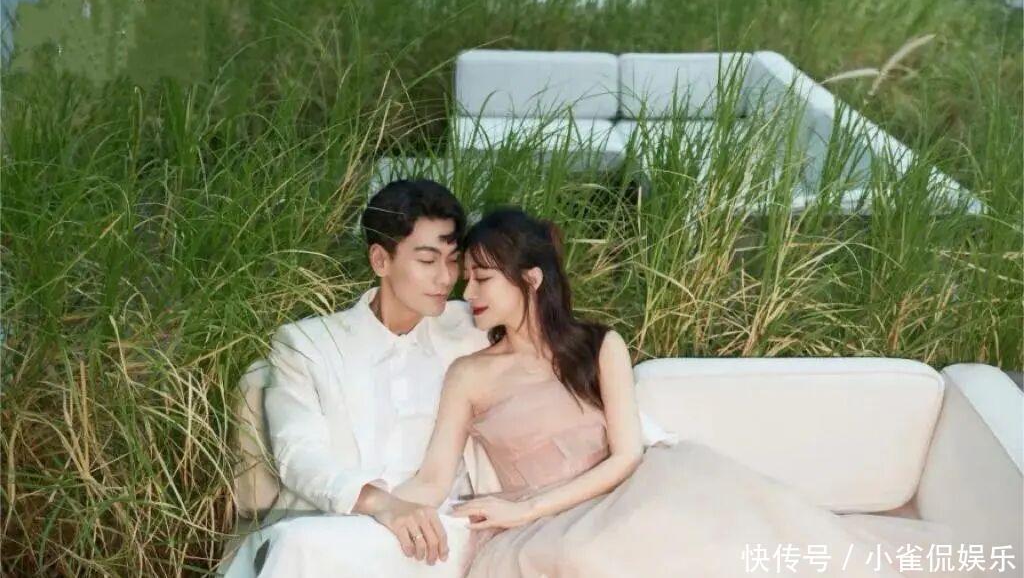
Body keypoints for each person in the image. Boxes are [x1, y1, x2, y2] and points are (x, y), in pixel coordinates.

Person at [391, 207, 922, 577]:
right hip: (540, 537)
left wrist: (530, 509)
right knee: (586, 557)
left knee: (724, 536)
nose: (467, 291)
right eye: (467, 278)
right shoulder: (469, 374)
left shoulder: (599, 346)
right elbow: (434, 477)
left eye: (482, 278)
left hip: (619, 500)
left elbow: (626, 456)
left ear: (531, 279)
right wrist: (375, 502)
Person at [222, 179, 492, 578]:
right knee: (301, 545)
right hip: (345, 526)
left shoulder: (472, 330)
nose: (445, 278)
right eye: (427, 260)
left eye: (453, 260)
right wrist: (383, 505)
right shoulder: (309, 344)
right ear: (380, 260)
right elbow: (299, 456)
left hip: (444, 534)